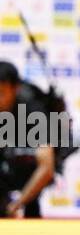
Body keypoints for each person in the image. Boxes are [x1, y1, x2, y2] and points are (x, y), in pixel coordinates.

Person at [0, 61, 56, 218]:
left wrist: (17, 204)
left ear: (15, 89)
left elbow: (46, 168)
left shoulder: (33, 111)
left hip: (29, 168)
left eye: (1, 93)